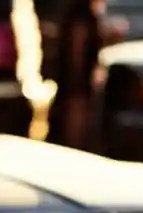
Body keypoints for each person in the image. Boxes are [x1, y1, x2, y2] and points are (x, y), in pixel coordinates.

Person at [39, 0, 104, 148]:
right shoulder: (81, 16)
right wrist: (78, 81)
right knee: (74, 132)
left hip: (76, 86)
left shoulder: (80, 14)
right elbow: (77, 53)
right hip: (76, 89)